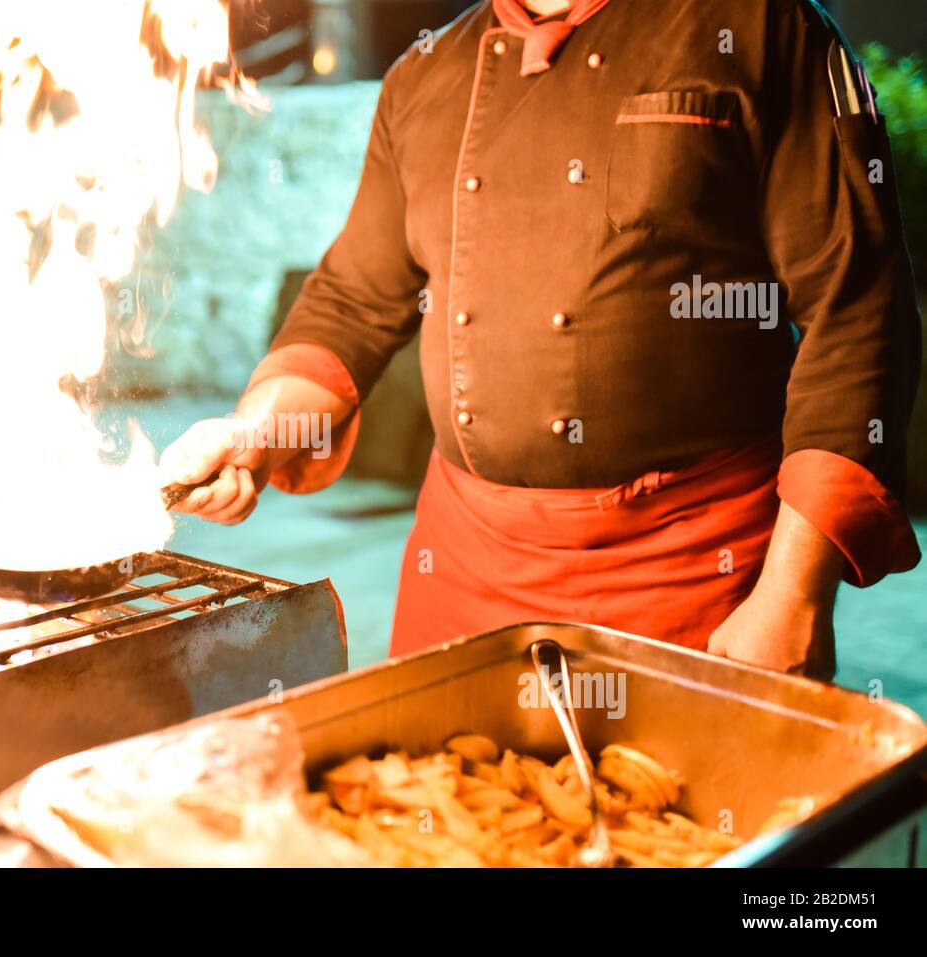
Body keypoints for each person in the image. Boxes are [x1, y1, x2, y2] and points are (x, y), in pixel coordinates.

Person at [161, 0, 921, 677]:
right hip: (466, 571)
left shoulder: (762, 26)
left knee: (683, 832)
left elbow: (859, 311)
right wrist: (254, 434)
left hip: (694, 570)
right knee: (436, 818)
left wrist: (792, 594)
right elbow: (352, 301)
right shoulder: (424, 76)